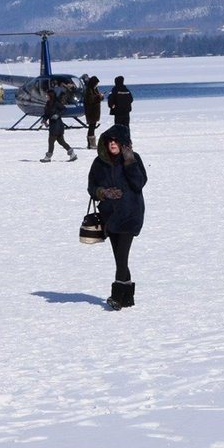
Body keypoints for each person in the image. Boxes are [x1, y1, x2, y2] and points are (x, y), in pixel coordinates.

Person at [88, 126, 147, 310]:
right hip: (111, 216)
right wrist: (103, 192)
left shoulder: (133, 159)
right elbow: (91, 187)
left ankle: (117, 296)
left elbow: (139, 184)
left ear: (123, 143)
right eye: (109, 140)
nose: (112, 143)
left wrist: (129, 161)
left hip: (130, 214)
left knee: (121, 257)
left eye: (116, 140)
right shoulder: (99, 163)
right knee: (120, 258)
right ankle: (128, 297)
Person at [41, 82, 78, 162]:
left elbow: (64, 109)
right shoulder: (48, 104)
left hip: (57, 126)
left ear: (51, 96)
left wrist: (57, 115)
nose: (46, 96)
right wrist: (44, 119)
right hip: (53, 125)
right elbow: (46, 114)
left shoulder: (56, 103)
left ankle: (48, 157)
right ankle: (72, 154)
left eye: (47, 95)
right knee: (61, 142)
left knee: (51, 141)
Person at [82, 75, 103, 149]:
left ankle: (91, 143)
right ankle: (91, 143)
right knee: (91, 127)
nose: (97, 85)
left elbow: (96, 98)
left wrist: (101, 97)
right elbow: (90, 100)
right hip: (91, 112)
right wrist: (98, 97)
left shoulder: (94, 89)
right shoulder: (89, 90)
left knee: (92, 127)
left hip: (95, 111)